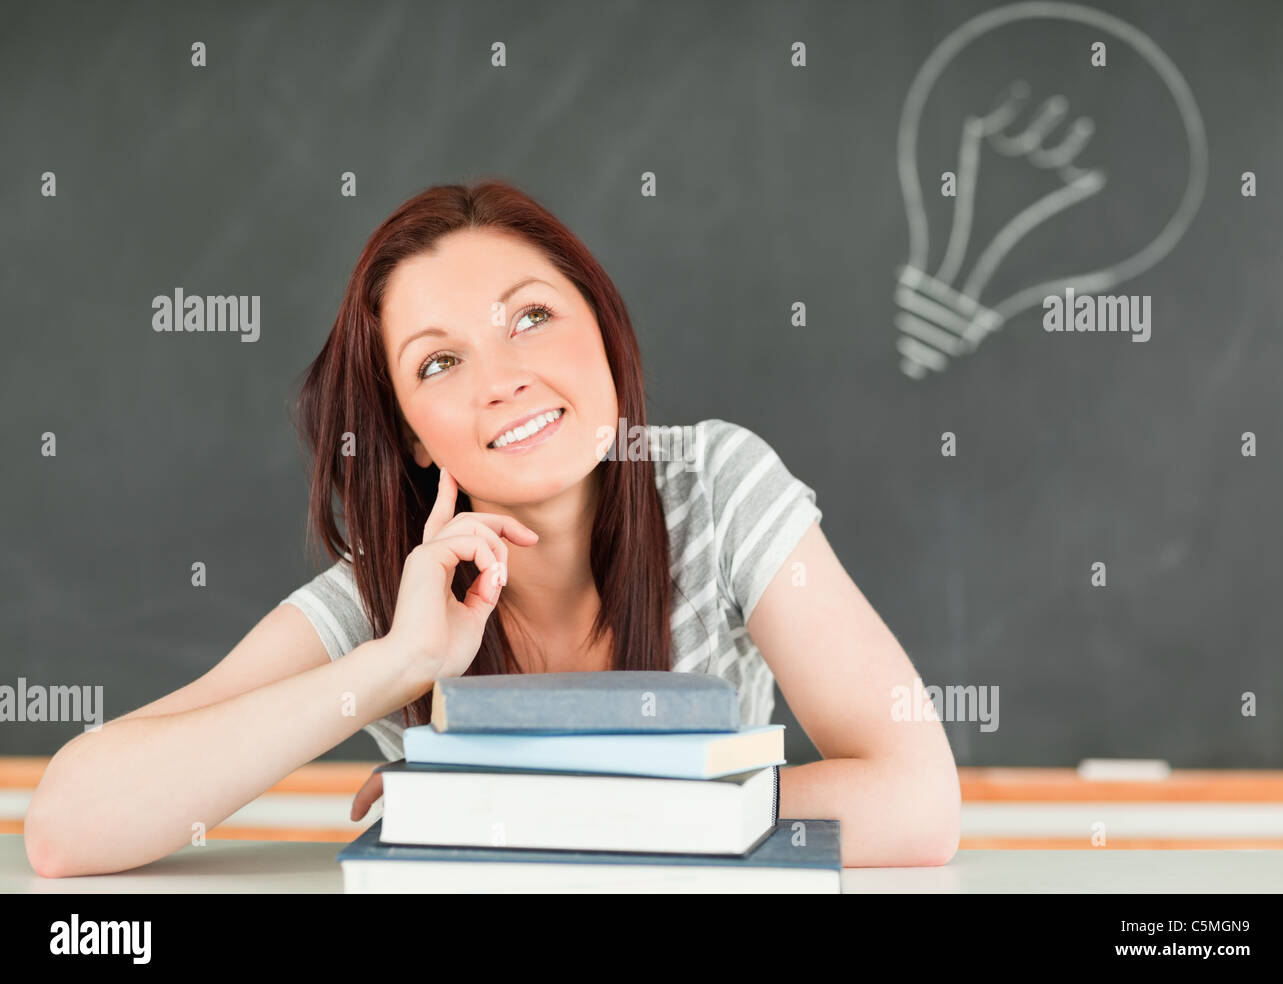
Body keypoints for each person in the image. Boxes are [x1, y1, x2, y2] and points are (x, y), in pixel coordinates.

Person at [24, 179, 961, 877]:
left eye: (531, 317)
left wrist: (496, 803)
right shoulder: (393, 592)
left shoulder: (715, 486)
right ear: (411, 436)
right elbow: (69, 827)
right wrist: (394, 666)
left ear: (603, 331)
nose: (501, 378)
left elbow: (917, 801)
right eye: (438, 364)